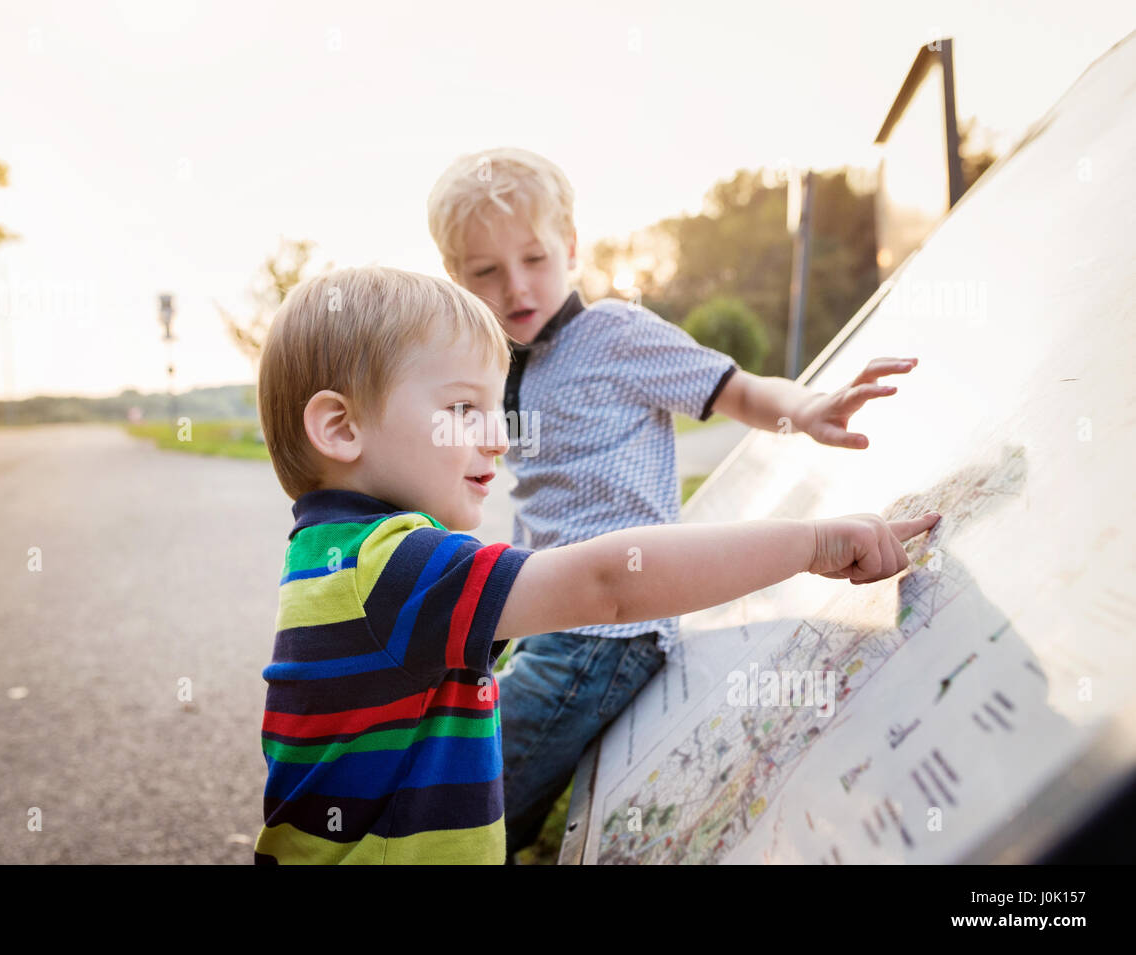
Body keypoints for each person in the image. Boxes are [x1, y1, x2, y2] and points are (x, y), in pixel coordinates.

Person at [252, 264, 938, 864]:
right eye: (463, 407)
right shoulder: (392, 566)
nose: (498, 435)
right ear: (340, 428)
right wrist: (811, 544)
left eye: (497, 407)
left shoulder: (334, 558)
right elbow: (608, 582)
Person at [426, 146, 923, 858]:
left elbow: (739, 389)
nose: (515, 287)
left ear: (569, 246)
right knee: (470, 771)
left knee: (467, 794)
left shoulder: (617, 334)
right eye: (486, 272)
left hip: (604, 631)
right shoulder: (498, 365)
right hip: (549, 615)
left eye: (534, 258)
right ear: (457, 278)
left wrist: (808, 406)